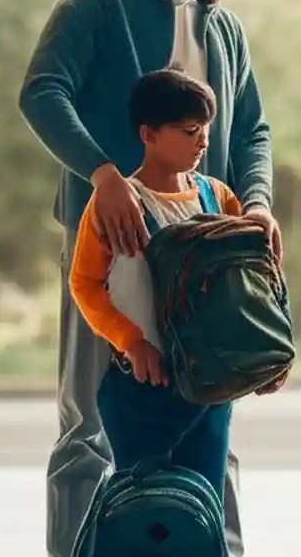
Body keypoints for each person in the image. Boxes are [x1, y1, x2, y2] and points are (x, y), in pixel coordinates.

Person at [19, 0, 279, 557]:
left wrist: (255, 204)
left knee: (212, 416)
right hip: (115, 252)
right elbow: (43, 92)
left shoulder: (225, 31)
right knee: (87, 428)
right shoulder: (98, 1)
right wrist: (102, 174)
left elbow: (252, 130)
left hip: (208, 263)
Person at [71, 69, 249, 505]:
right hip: (141, 391)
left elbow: (242, 285)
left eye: (205, 129)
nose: (203, 141)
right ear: (148, 134)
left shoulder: (219, 198)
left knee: (203, 506)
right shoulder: (115, 205)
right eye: (190, 131)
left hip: (209, 390)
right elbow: (84, 284)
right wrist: (130, 342)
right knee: (144, 514)